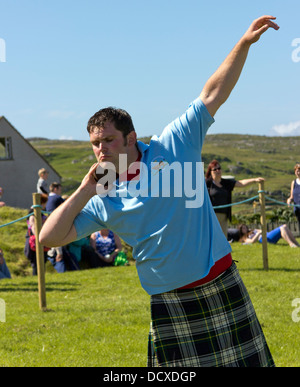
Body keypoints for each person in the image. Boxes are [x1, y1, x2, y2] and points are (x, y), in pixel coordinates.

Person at [40, 16, 279, 367]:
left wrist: (243, 44)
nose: (101, 149)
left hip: (219, 285)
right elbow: (49, 237)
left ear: (131, 138)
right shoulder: (103, 196)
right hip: (167, 303)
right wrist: (84, 190)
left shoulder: (173, 144)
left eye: (108, 140)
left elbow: (213, 93)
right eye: (95, 144)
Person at [206, 159, 264, 236]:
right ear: (210, 172)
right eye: (215, 169)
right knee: (211, 236)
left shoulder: (226, 183)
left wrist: (254, 180)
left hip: (224, 216)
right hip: (211, 215)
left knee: (223, 237)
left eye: (219, 168)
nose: (218, 171)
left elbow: (241, 183)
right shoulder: (207, 183)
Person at [24, 194, 50, 275]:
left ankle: (40, 277)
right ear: (42, 203)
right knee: (36, 262)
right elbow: (34, 227)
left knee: (42, 261)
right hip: (35, 241)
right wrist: (39, 238)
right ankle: (36, 279)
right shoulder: (33, 213)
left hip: (40, 240)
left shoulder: (40, 213)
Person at [287, 163, 300, 229]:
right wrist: (289, 200)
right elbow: (292, 196)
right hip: (298, 210)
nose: (298, 172)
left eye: (299, 171)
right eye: (297, 171)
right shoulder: (293, 182)